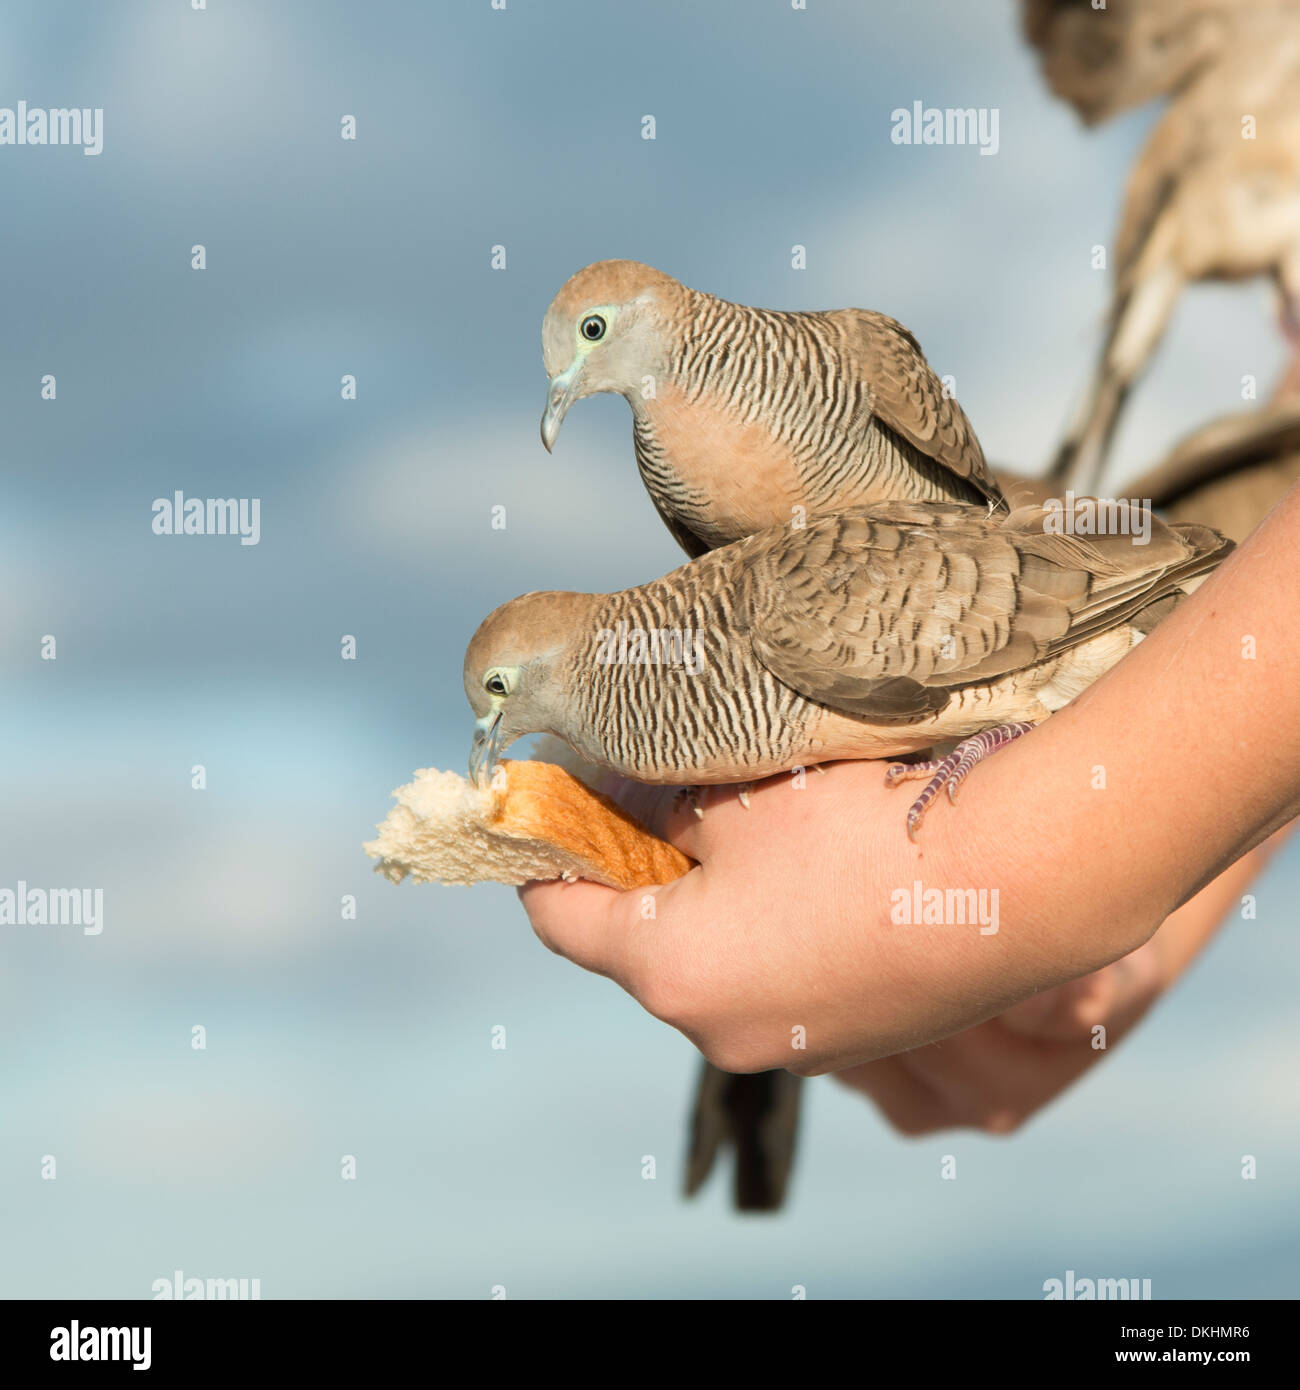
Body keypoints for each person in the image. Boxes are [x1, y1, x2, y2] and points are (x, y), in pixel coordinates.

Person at [519, 485, 1300, 1132]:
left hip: (1087, 604)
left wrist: (1033, 867)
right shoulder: (702, 681)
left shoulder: (800, 615)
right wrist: (1165, 869)